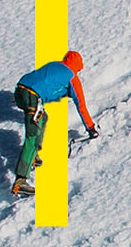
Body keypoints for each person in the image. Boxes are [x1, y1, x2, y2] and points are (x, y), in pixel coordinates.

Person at [10, 49, 96, 198]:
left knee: (43, 118)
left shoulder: (55, 65)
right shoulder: (72, 77)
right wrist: (91, 127)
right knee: (32, 136)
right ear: (78, 66)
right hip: (32, 96)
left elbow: (44, 82)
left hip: (20, 89)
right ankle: (20, 181)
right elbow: (81, 105)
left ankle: (33, 155)